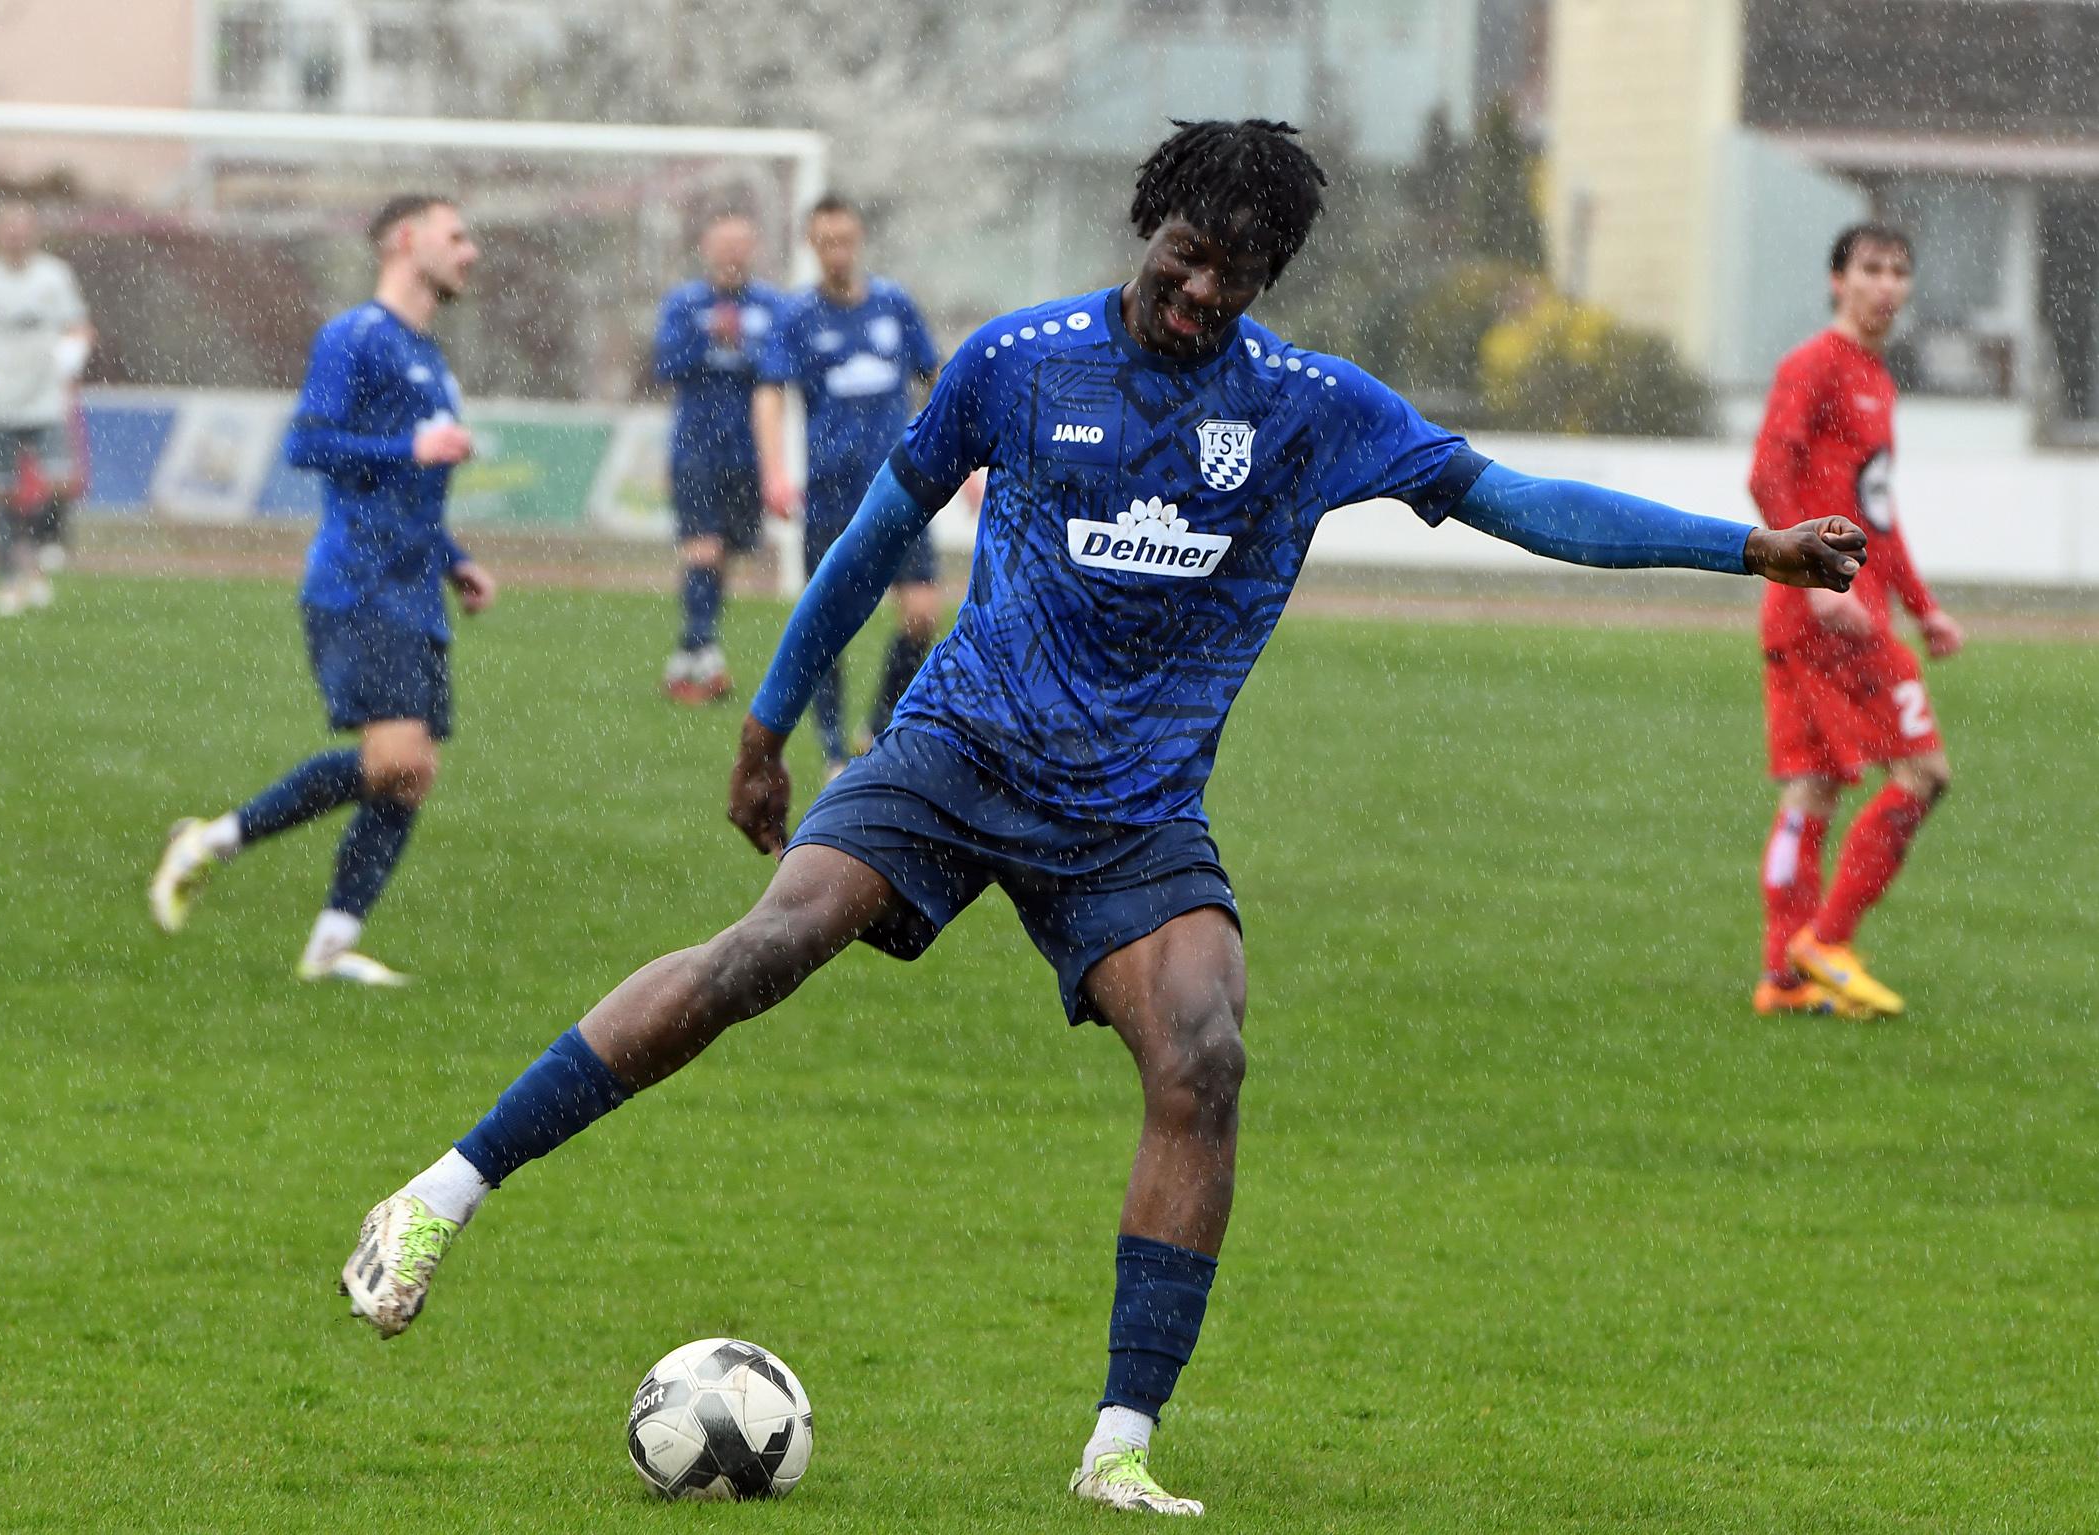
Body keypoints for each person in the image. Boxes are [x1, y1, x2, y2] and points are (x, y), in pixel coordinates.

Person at [337, 122, 1866, 1515]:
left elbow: (1520, 501)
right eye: (1184, 256)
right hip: (958, 747)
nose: (1201, 293)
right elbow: (875, 537)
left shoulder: (1309, 408)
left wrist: (1750, 551)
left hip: (1130, 812)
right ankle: (433, 1194)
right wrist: (763, 719)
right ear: (1144, 233)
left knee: (1202, 1049)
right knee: (766, 948)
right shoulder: (1021, 362)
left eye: (1237, 273)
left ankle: (1119, 1441)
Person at [148, 194, 496, 986]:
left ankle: (331, 947)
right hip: (358, 582)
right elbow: (309, 441)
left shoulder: (431, 359)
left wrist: (455, 558)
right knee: (393, 757)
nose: (470, 251)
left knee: (410, 771)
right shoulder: (354, 337)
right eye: (456, 235)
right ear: (405, 242)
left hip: (413, 587)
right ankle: (209, 841)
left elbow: (406, 488)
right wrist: (410, 442)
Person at [1749, 223, 1961, 1021]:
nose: (1887, 286)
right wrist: (1812, 584)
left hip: (1820, 612)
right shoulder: (1813, 366)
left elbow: (1880, 516)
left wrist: (1926, 608)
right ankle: (1826, 942)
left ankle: (1783, 976)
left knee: (1812, 789)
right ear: (1836, 281)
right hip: (1832, 616)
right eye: (1871, 269)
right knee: (1924, 771)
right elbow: (1767, 473)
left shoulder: (1874, 378)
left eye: (1900, 272)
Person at [753, 195, 941, 774]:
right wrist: (775, 473)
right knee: (827, 622)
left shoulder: (893, 304)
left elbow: (937, 379)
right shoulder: (798, 316)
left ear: (859, 239)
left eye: (845, 239)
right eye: (825, 241)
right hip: (834, 495)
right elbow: (768, 393)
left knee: (921, 614)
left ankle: (878, 725)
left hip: (901, 490)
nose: (837, 251)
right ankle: (834, 750)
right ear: (812, 245)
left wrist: (956, 459)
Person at [652, 210, 781, 703]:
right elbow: (666, 365)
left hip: (749, 452)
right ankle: (704, 648)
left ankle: (689, 652)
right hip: (696, 447)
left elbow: (781, 368)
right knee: (701, 547)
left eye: (740, 243)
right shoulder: (684, 305)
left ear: (753, 249)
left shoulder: (772, 307)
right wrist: (708, 337)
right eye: (723, 243)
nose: (731, 253)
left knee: (723, 551)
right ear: (706, 247)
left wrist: (742, 345)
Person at [0, 203, 94, 617]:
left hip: (45, 401)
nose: (16, 236)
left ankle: (43, 553)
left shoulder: (54, 276)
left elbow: (78, 324)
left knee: (59, 481)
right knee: (4, 493)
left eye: (23, 228)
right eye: (8, 229)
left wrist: (73, 354)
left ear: (34, 232)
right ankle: (9, 580)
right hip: (2, 403)